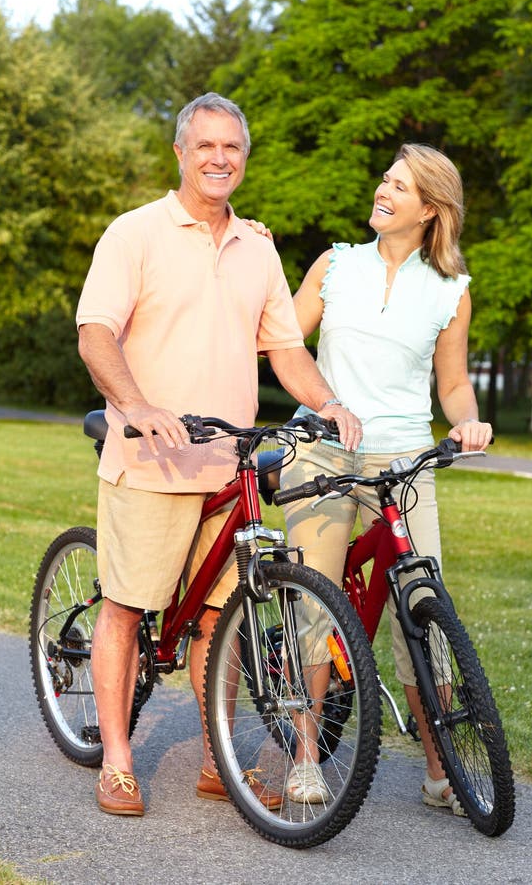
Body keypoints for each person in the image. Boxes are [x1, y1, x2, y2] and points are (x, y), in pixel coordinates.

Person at [75, 92, 362, 817]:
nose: (218, 158)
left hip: (229, 472)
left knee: (219, 618)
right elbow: (95, 332)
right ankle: (116, 761)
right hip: (150, 464)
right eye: (205, 145)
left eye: (231, 148)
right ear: (180, 152)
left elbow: (285, 349)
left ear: (244, 158)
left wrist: (326, 402)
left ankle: (217, 761)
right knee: (125, 607)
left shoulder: (258, 247)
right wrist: (136, 407)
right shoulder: (135, 233)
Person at [279, 143, 493, 813]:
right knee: (315, 599)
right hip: (320, 449)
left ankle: (443, 769)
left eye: (398, 186)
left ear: (430, 209)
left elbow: (453, 384)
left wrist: (470, 421)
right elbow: (281, 339)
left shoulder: (450, 290)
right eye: (384, 179)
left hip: (402, 460)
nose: (382, 190)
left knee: (421, 608)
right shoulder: (335, 265)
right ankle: (307, 756)